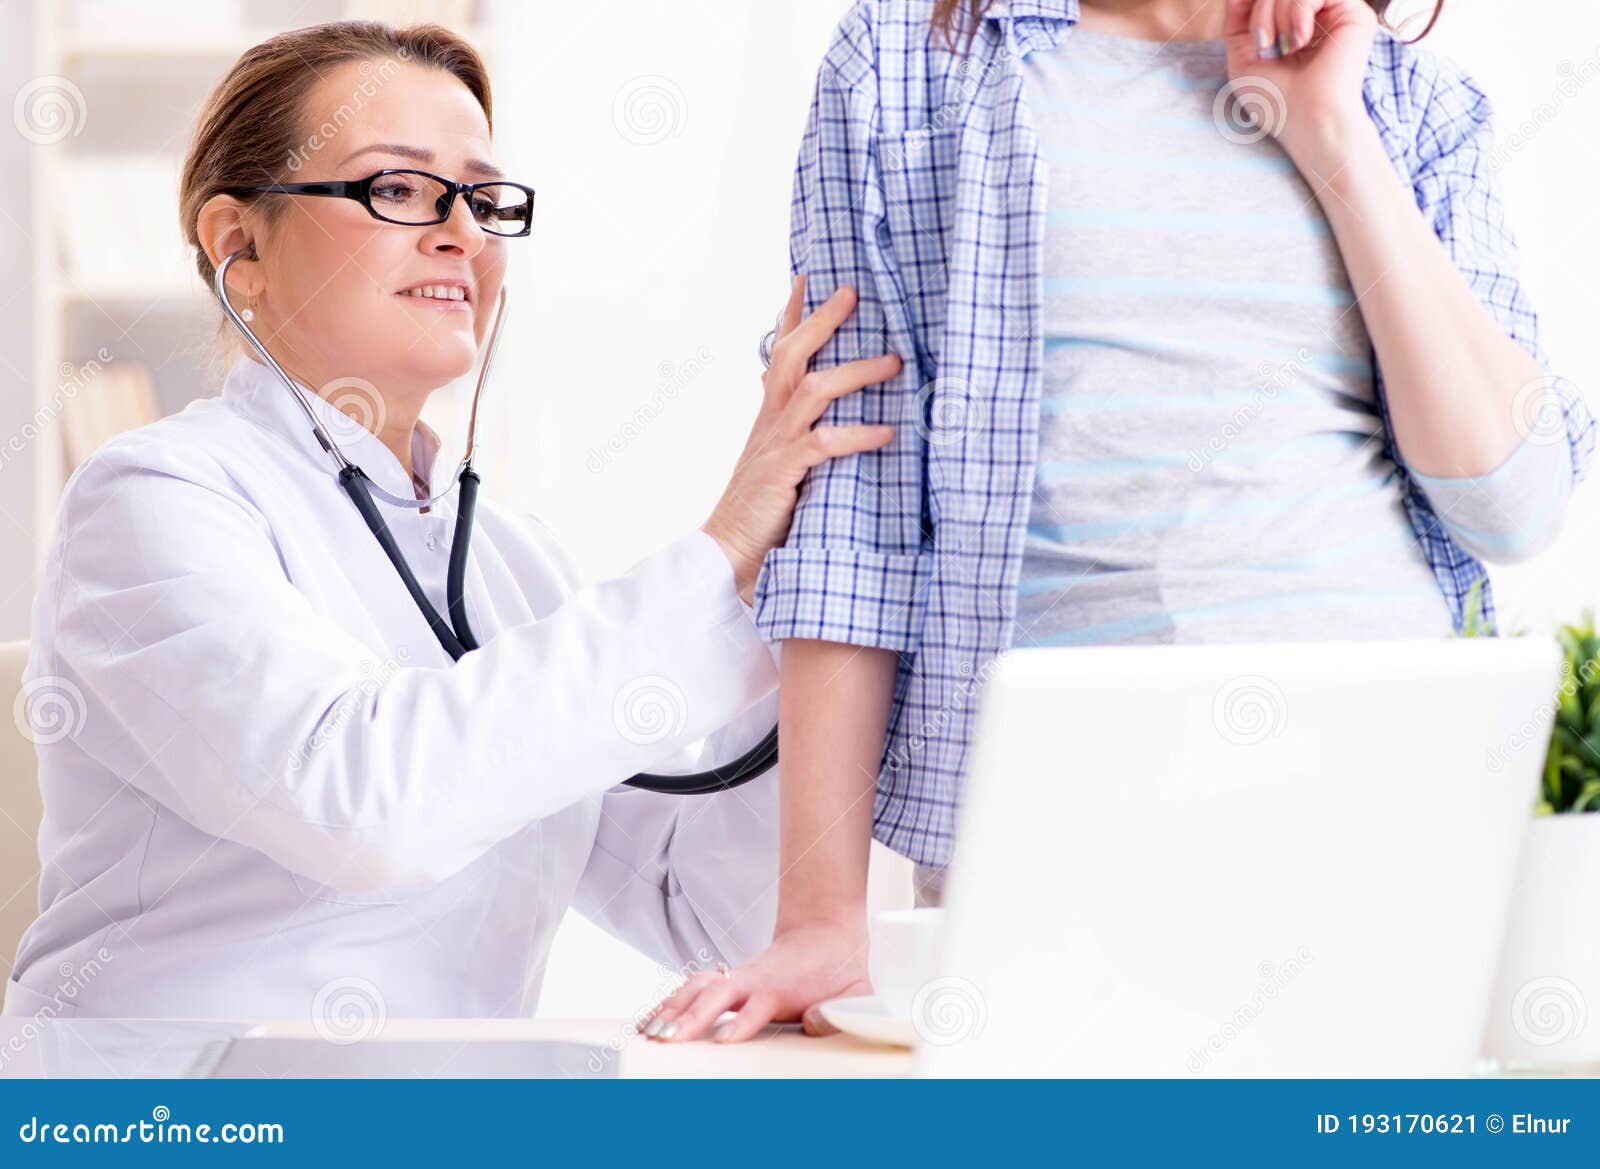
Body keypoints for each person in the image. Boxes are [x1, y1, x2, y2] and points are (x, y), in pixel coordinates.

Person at [646, 0, 1595, 1043]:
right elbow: (851, 502)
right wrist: (822, 917)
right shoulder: (907, 64)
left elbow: (1511, 502)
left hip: (1382, 822)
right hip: (1055, 849)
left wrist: (1333, 139)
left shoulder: (1409, 101)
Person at [4, 20, 902, 1021]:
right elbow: (360, 801)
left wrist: (814, 581)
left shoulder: (508, 570)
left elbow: (704, 908)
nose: (462, 233)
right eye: (396, 188)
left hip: (430, 1108)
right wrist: (722, 555)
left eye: (481, 197)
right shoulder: (149, 498)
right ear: (238, 244)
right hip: (173, 1107)